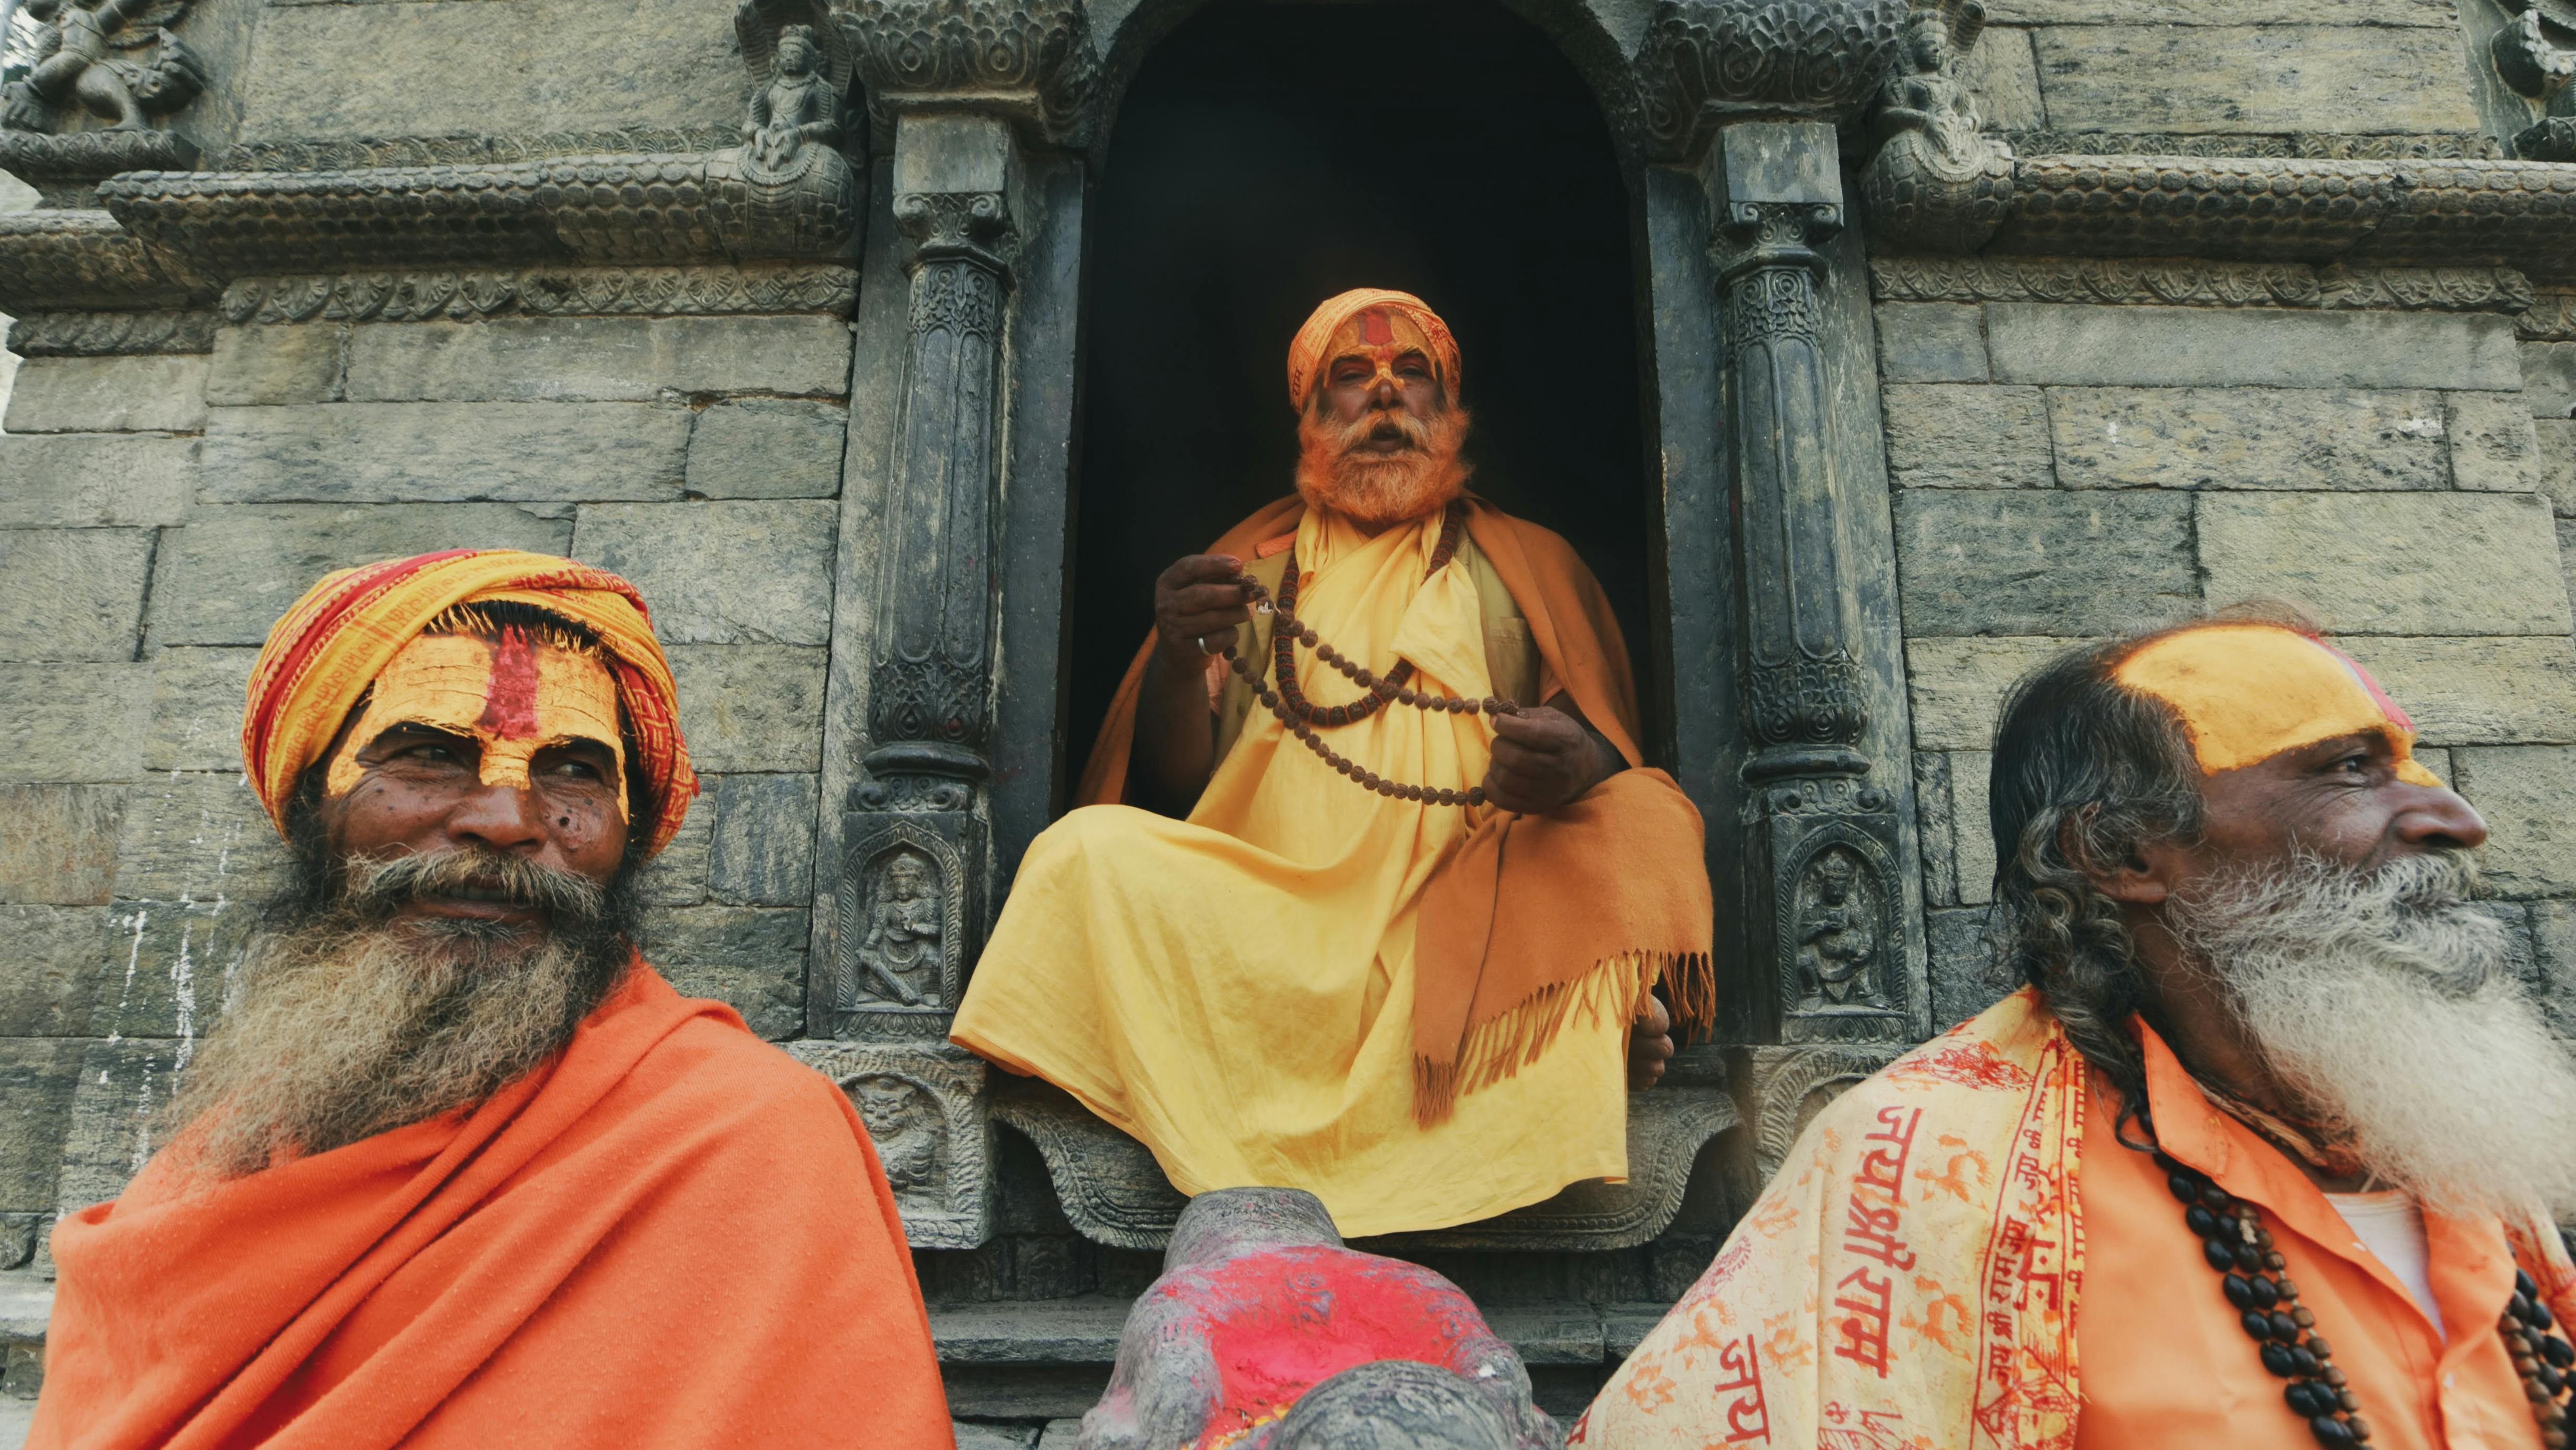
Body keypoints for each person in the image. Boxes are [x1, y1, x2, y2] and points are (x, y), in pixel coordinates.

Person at [1575, 611, 2576, 1450]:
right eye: (2350, 770)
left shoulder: (2457, 1152)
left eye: (2408, 765)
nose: (2455, 816)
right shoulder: (1922, 1162)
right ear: (2118, 851)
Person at [30, 550, 952, 1450]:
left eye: (574, 773)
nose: (504, 822)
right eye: (429, 756)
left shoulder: (745, 1140)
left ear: (629, 830)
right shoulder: (223, 1151)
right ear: (313, 799)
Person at [952, 287, 1714, 1235]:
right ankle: (1582, 1037)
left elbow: (1599, 738)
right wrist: (1179, 648)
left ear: (1449, 413)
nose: (1385, 401)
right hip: (1266, 922)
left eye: (1413, 381)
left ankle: (1585, 1016)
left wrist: (1579, 761)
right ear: (1311, 419)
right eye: (1351, 380)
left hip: (1461, 924)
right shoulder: (1251, 571)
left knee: (1640, 815)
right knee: (1081, 856)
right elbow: (1176, 788)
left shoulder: (1528, 562)